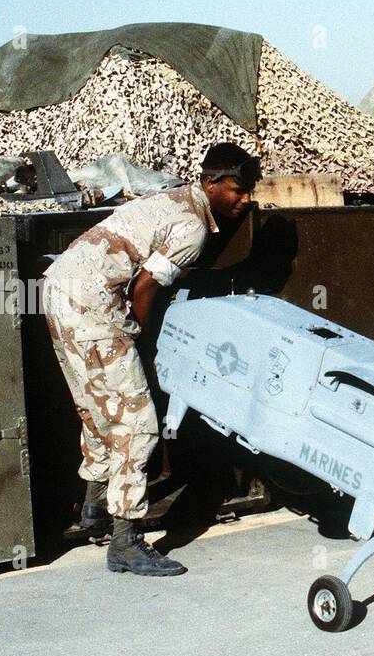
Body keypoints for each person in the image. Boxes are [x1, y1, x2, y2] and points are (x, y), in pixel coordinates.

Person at [42, 143, 260, 576]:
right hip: (92, 305)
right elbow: (145, 288)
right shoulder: (193, 230)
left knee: (98, 408)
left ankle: (95, 506)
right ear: (210, 182)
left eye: (249, 190)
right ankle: (125, 542)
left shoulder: (173, 198)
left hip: (57, 289)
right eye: (237, 189)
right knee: (136, 422)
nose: (246, 199)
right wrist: (138, 342)